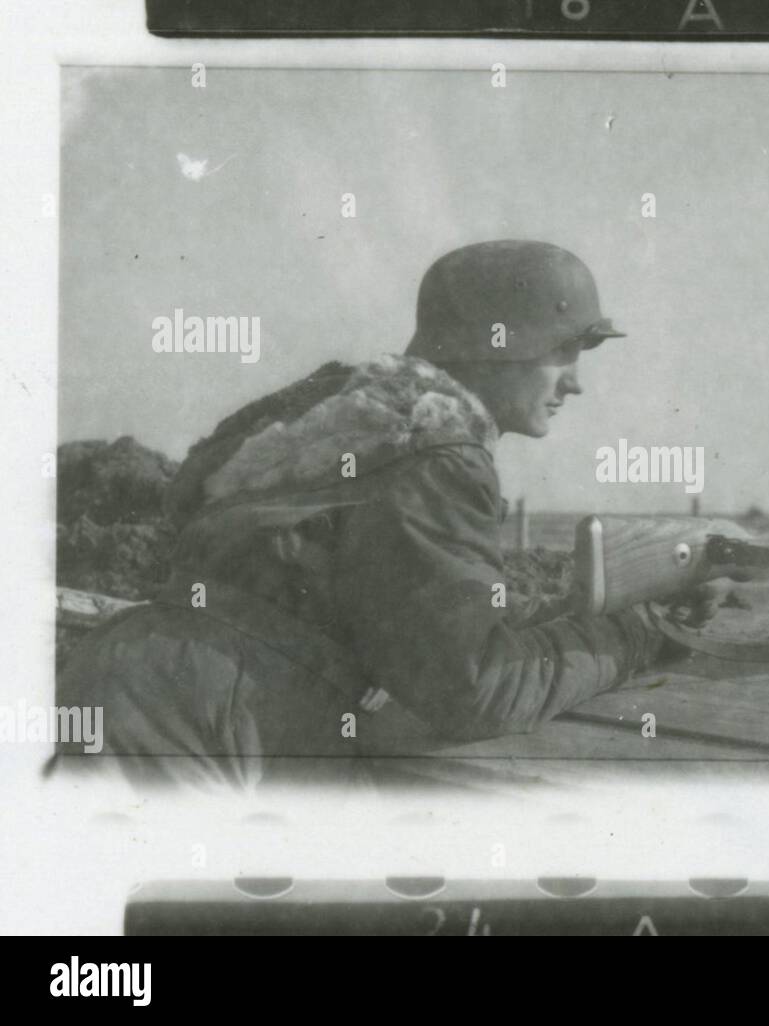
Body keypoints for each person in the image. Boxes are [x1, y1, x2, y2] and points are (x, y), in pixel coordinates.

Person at [56, 240, 687, 791]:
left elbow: (424, 624)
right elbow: (475, 689)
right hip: (196, 725)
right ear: (499, 346)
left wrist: (598, 608)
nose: (575, 383)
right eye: (565, 353)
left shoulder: (355, 418)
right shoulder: (438, 455)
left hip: (135, 683)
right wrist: (632, 638)